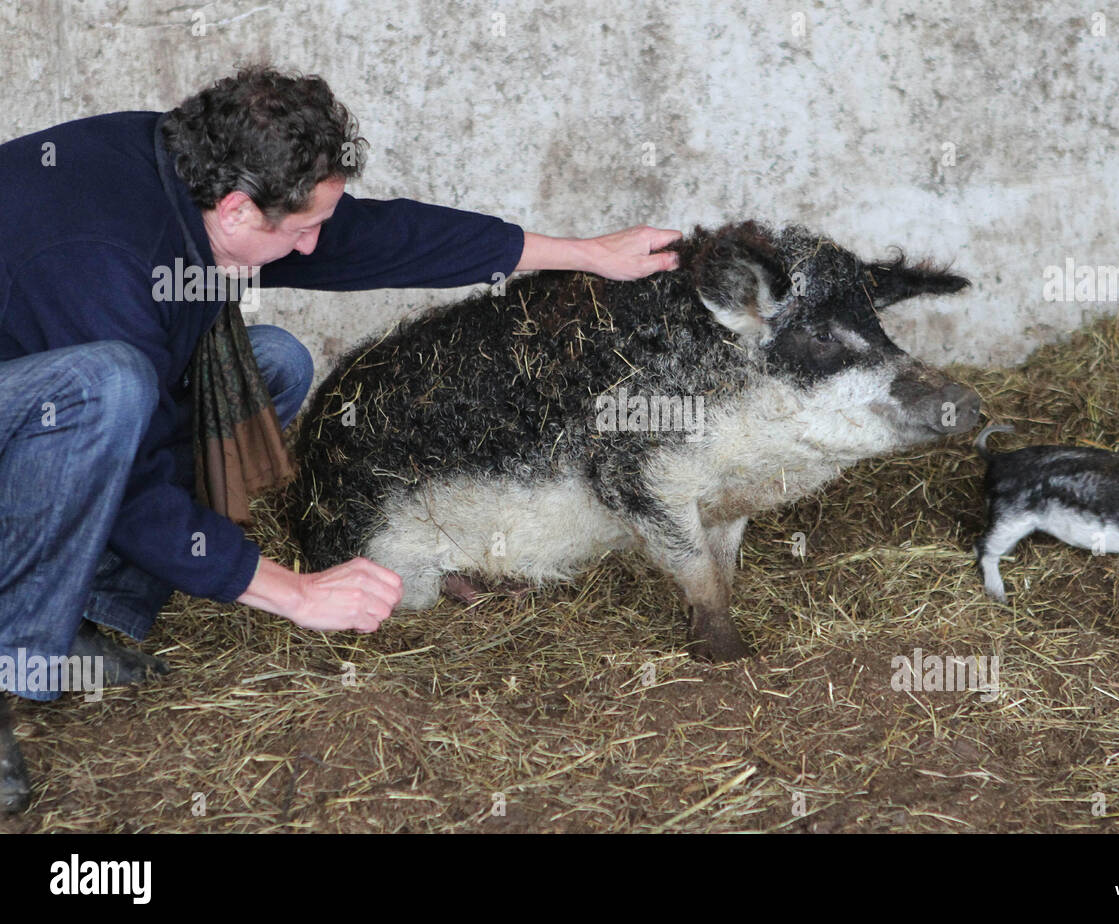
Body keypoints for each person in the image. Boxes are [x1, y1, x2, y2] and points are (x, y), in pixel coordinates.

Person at [0, 65, 681, 813]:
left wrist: (585, 254)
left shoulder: (186, 163)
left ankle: (75, 617)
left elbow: (378, 237)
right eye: (300, 232)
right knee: (115, 390)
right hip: (44, 402)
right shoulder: (95, 257)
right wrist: (294, 592)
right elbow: (133, 481)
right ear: (235, 210)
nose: (313, 246)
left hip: (45, 390)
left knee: (273, 366)